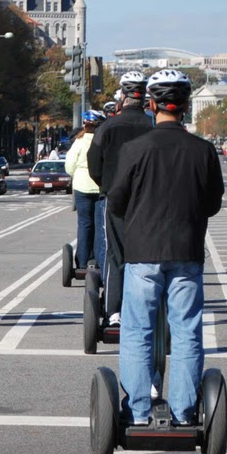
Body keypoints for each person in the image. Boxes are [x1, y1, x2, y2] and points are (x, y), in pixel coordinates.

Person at [107, 69, 224, 424]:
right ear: (186, 106)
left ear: (151, 104)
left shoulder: (134, 150)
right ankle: (185, 413)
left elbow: (116, 202)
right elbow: (213, 203)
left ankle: (139, 412)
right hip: (187, 251)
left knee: (137, 331)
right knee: (186, 331)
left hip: (143, 252)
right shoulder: (203, 151)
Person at [87, 70, 155, 320]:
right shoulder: (153, 125)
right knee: (147, 253)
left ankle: (114, 309)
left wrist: (107, 185)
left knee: (114, 253)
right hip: (149, 199)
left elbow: (94, 165)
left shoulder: (107, 127)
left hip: (114, 198)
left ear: (122, 97)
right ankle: (146, 305)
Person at [65, 110, 106, 272]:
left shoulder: (79, 142)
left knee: (84, 224)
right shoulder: (102, 140)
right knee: (99, 225)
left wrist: (77, 174)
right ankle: (98, 260)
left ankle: (82, 261)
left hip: (82, 187)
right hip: (99, 186)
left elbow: (69, 166)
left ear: (85, 125)